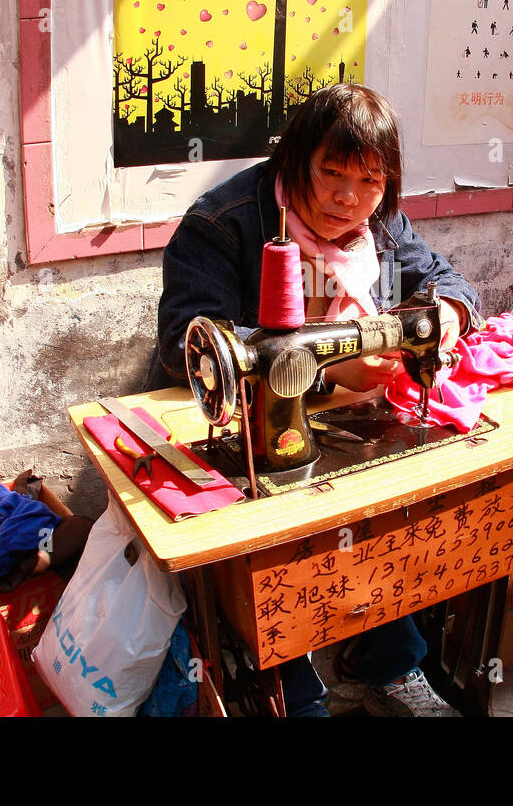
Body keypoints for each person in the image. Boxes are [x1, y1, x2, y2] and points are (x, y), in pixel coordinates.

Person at [147, 84, 482, 717]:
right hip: (231, 421)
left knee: (388, 507)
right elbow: (182, 345)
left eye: (369, 181)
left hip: (331, 415)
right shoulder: (222, 223)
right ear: (294, 159)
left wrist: (447, 313)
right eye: (331, 173)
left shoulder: (380, 224)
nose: (347, 198)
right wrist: (329, 371)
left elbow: (448, 280)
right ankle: (291, 684)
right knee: (275, 543)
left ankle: (388, 658)